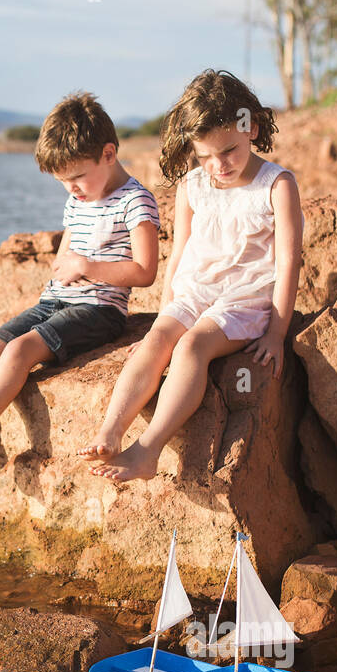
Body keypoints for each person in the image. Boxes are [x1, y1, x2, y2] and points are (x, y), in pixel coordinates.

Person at [0, 91, 160, 496]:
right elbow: (66, 254)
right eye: (63, 182)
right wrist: (65, 268)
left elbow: (145, 272)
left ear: (108, 154)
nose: (72, 188)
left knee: (19, 352)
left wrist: (87, 268)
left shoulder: (135, 201)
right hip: (56, 300)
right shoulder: (77, 200)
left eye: (77, 177)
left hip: (98, 309)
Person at [78, 69, 303, 482]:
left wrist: (276, 332)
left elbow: (289, 263)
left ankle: (147, 450)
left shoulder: (276, 186)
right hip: (195, 292)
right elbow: (179, 252)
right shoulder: (192, 185)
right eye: (205, 156)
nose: (219, 166)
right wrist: (164, 316)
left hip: (245, 299)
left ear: (251, 126)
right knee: (160, 340)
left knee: (192, 348)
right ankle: (110, 433)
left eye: (229, 150)